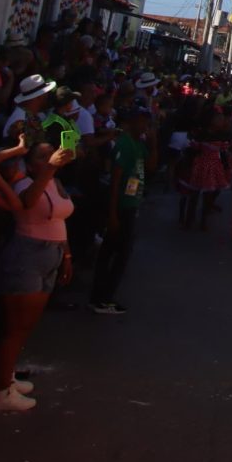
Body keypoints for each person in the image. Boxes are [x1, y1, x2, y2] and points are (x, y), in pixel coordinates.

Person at [0, 140, 76, 412]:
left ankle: (8, 377)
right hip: (27, 256)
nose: (50, 159)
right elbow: (27, 203)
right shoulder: (23, 184)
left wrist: (67, 255)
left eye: (51, 154)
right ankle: (0, 392)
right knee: (15, 328)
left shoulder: (54, 182)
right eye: (42, 157)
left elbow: (59, 219)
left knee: (25, 327)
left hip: (51, 256)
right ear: (28, 163)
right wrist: (48, 170)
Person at [90, 106, 148, 315]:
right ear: (129, 122)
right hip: (121, 206)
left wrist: (155, 139)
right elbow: (115, 180)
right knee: (116, 253)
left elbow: (151, 165)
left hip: (131, 204)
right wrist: (112, 213)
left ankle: (103, 296)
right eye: (140, 121)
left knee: (119, 253)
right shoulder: (123, 144)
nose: (144, 125)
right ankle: (102, 298)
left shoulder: (139, 144)